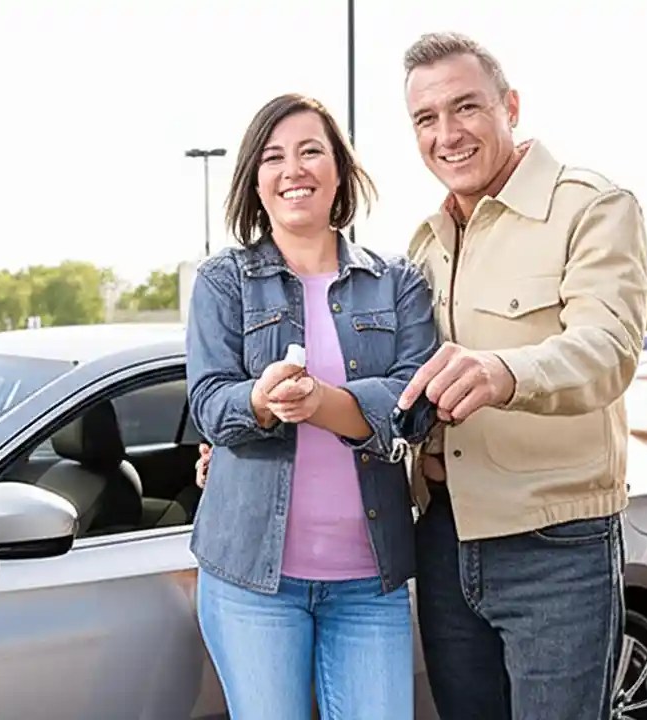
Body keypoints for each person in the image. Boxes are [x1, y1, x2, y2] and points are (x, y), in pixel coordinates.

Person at [394, 32, 647, 719]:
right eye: (426, 118)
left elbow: (609, 348)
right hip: (445, 538)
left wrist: (504, 372)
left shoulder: (594, 206)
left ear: (509, 106)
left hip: (556, 546)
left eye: (466, 108)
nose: (447, 134)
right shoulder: (423, 241)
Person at [185, 92, 438, 719]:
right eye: (273, 156)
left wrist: (320, 402)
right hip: (251, 582)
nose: (292, 169)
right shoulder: (223, 282)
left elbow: (416, 404)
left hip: (367, 580)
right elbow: (210, 404)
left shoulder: (397, 281)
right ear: (255, 179)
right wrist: (260, 402)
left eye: (310, 151)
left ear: (339, 171)